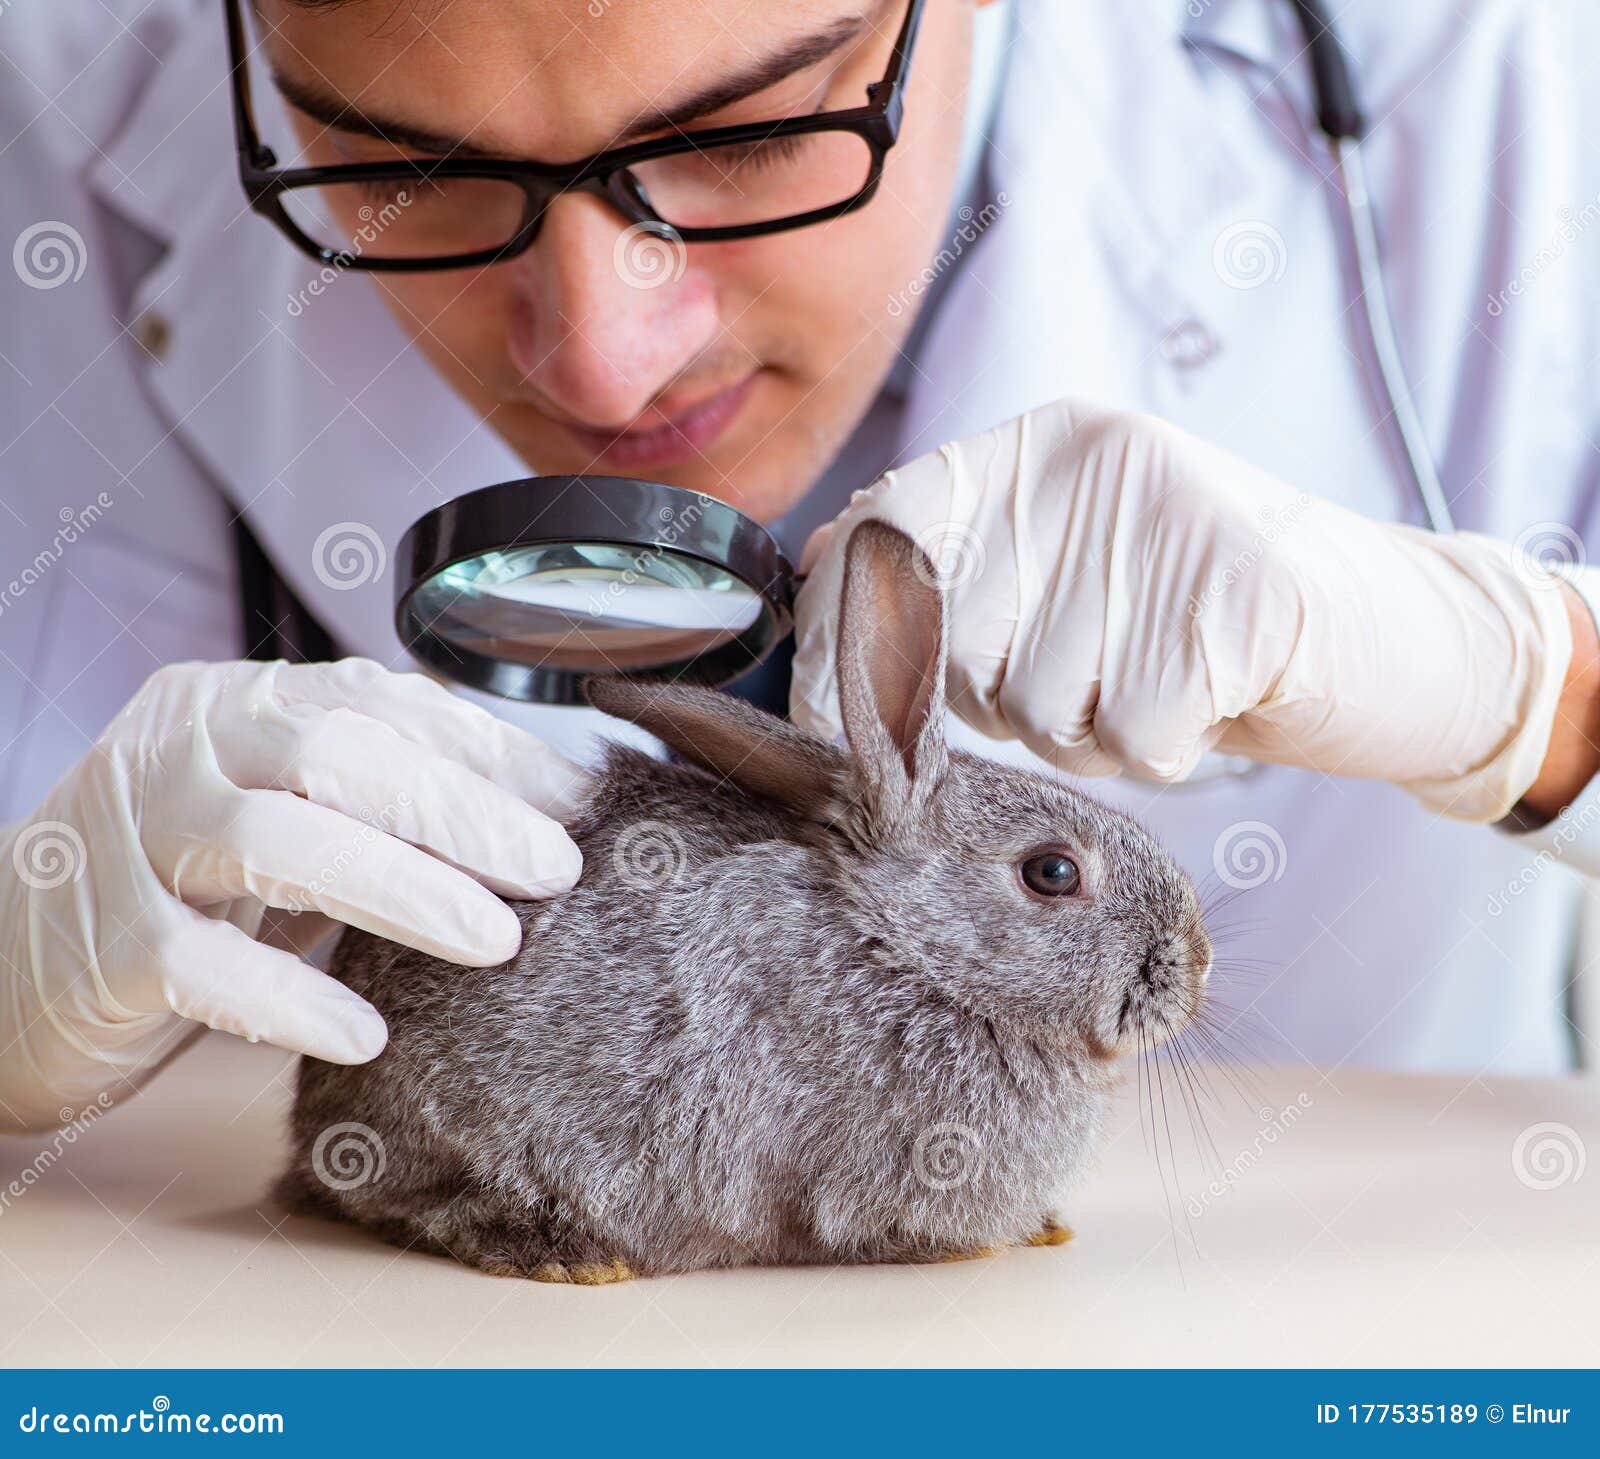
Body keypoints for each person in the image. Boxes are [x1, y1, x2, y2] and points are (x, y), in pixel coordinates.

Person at [2, 0, 1597, 1133]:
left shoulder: (1493, 86)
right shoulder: (47, 121)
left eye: (754, 132)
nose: (605, 364)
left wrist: (1530, 698)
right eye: (398, 162)